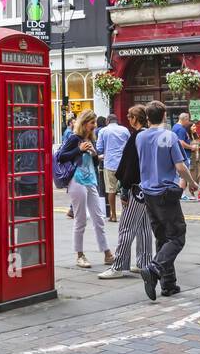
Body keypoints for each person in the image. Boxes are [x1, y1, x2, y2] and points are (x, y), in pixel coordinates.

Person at [137, 100, 198, 300]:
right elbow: (180, 167)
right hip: (165, 192)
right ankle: (154, 268)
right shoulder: (169, 136)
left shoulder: (140, 137)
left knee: (162, 238)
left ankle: (168, 284)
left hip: (147, 193)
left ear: (147, 117)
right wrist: (191, 182)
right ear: (164, 116)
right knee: (177, 237)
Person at [99, 105, 153, 279]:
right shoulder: (150, 136)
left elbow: (129, 165)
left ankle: (119, 266)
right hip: (148, 188)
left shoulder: (137, 137)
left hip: (135, 189)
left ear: (136, 119)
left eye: (130, 116)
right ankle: (144, 263)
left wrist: (124, 190)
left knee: (126, 227)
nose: (129, 120)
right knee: (144, 227)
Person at [58, 111, 113, 269]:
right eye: (92, 123)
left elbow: (93, 164)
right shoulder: (74, 138)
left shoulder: (91, 138)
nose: (94, 126)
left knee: (99, 218)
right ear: (84, 123)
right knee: (80, 219)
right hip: (77, 181)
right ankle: (80, 255)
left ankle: (107, 253)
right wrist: (80, 150)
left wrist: (95, 155)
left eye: (95, 123)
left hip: (91, 180)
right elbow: (61, 156)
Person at [96, 114, 131, 224]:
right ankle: (126, 215)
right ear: (117, 120)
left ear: (107, 121)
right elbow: (130, 146)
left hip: (110, 163)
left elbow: (99, 148)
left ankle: (113, 215)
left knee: (111, 190)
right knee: (125, 189)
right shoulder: (125, 130)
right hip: (124, 164)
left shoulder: (103, 131)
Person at [173, 113, 200, 201]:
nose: (188, 122)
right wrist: (191, 147)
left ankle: (180, 194)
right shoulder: (181, 129)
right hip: (184, 154)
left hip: (178, 154)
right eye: (188, 120)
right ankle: (181, 195)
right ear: (184, 119)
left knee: (180, 176)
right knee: (183, 176)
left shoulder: (174, 127)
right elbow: (181, 142)